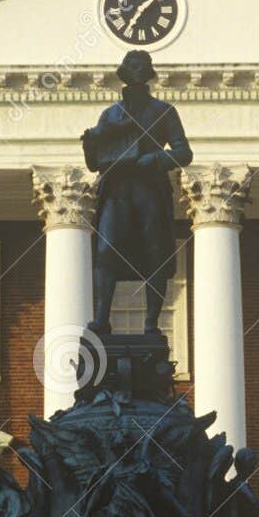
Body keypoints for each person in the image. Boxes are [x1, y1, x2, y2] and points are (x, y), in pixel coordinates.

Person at [80, 49, 193, 335]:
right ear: (124, 72)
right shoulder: (110, 114)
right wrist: (89, 146)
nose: (139, 70)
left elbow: (184, 152)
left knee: (155, 252)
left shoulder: (164, 111)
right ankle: (101, 319)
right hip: (117, 190)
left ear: (150, 72)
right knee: (106, 250)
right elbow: (95, 163)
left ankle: (151, 324)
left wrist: (154, 159)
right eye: (133, 66)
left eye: (143, 66)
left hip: (150, 188)